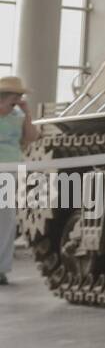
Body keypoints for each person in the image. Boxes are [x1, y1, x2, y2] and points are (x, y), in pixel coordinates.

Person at [0, 76, 40, 285]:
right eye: (16, 95)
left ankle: (1, 268)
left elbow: (32, 137)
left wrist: (27, 114)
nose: (19, 98)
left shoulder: (18, 116)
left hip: (9, 171)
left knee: (5, 220)